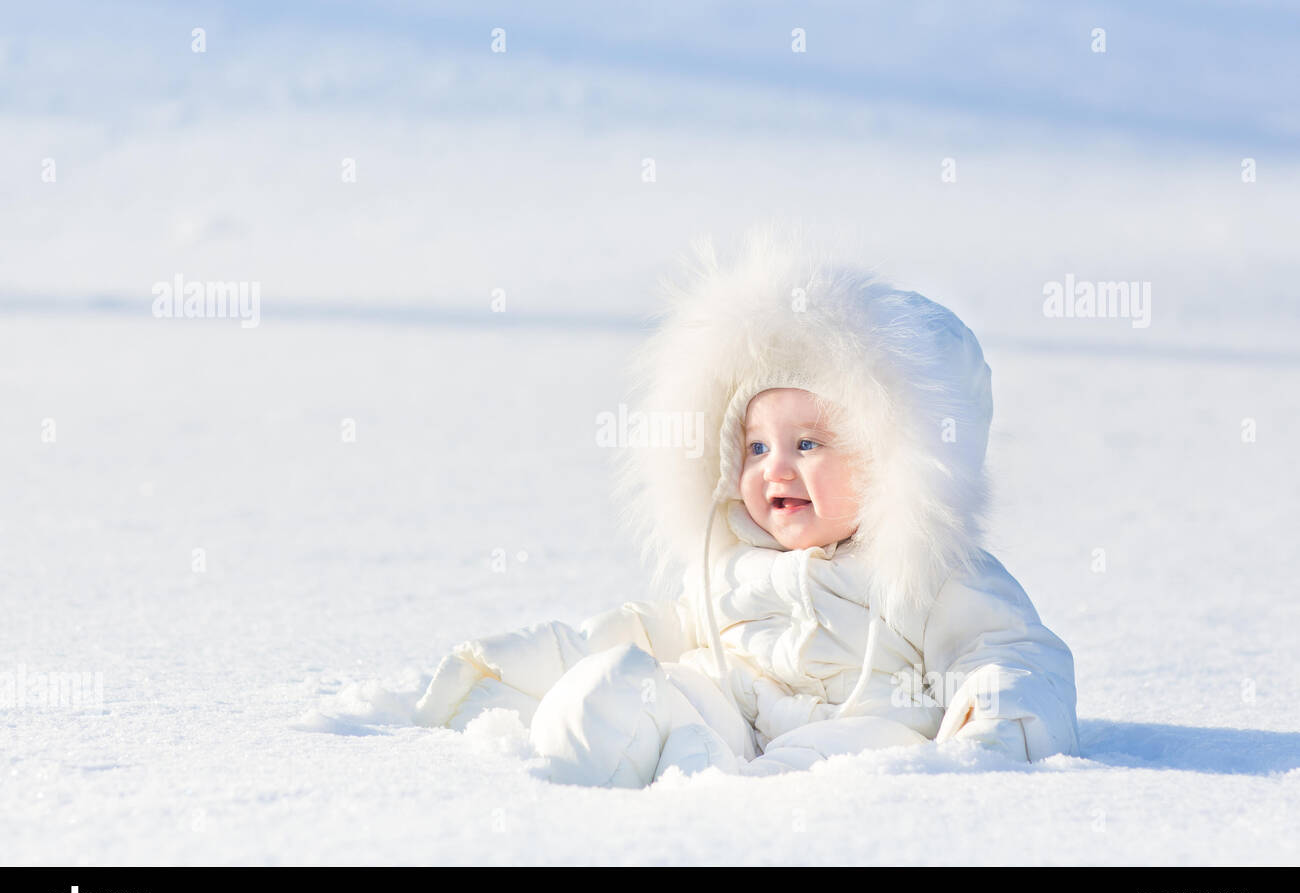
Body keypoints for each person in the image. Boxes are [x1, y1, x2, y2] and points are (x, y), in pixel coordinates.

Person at [414, 222, 1082, 787]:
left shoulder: (933, 574)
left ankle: (733, 821)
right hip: (727, 726)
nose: (776, 468)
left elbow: (1012, 655)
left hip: (854, 747)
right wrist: (524, 668)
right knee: (624, 681)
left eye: (810, 443)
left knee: (845, 752)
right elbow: (650, 632)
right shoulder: (728, 562)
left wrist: (994, 721)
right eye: (756, 447)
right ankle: (564, 806)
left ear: (893, 463)